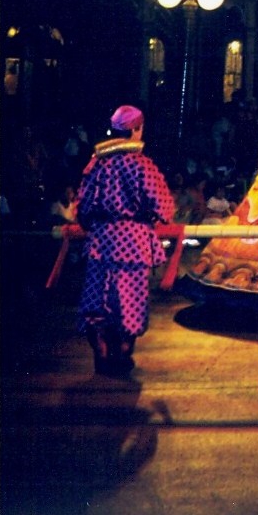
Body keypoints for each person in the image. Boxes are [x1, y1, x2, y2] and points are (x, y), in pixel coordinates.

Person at [75, 105, 174, 377]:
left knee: (98, 302)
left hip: (101, 243)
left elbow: (82, 207)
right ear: (135, 130)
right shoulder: (142, 165)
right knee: (129, 305)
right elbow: (165, 207)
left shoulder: (96, 163)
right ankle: (122, 355)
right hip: (134, 244)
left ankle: (102, 352)